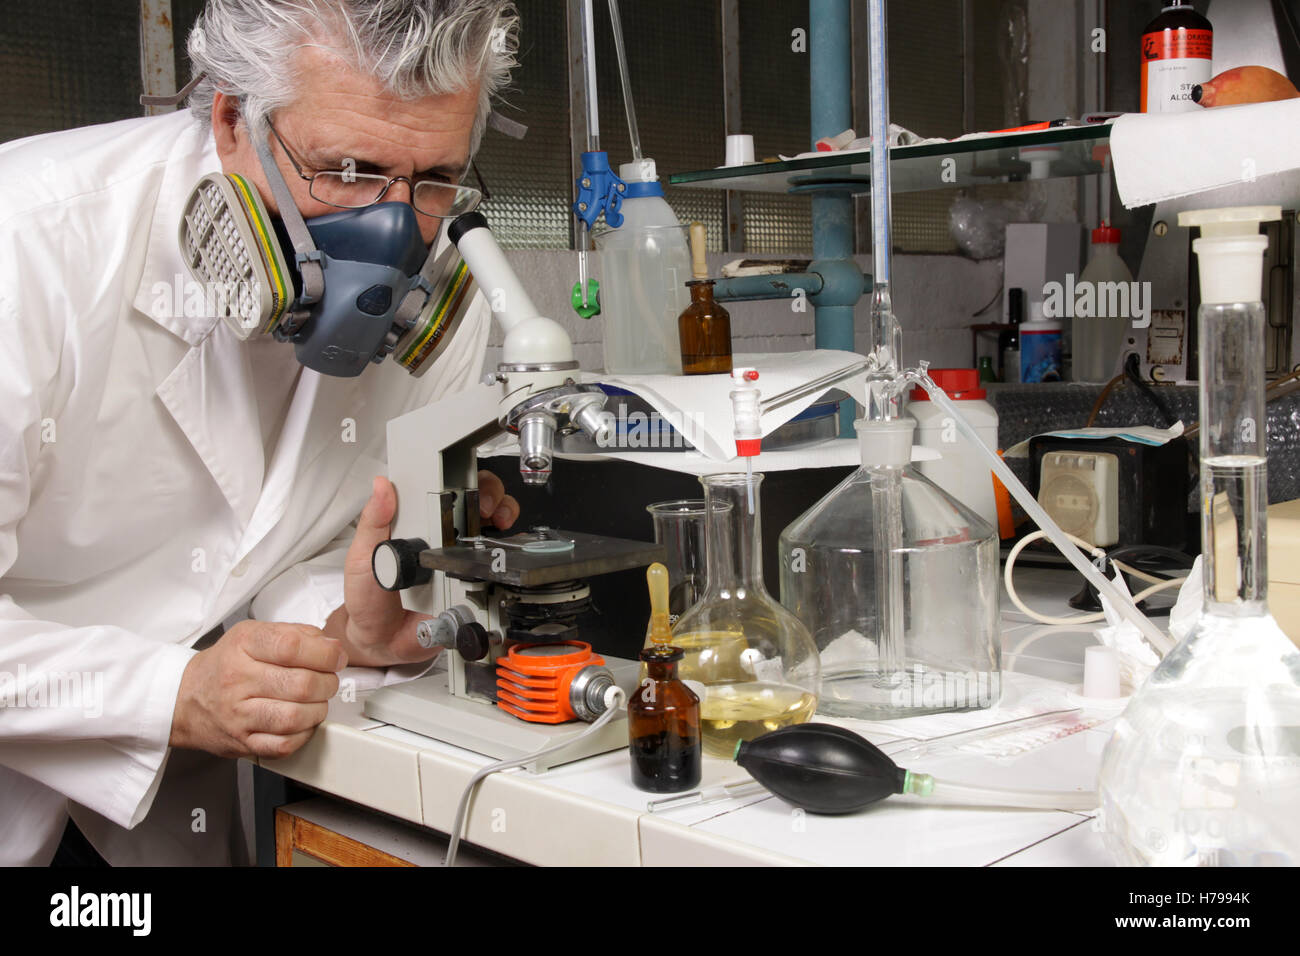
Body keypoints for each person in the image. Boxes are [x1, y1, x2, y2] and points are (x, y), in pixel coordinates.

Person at [0, 0, 522, 866]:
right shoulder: (30, 241)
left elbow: (263, 563)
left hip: (166, 822)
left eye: (433, 178)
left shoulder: (447, 284)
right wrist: (174, 692)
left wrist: (346, 623)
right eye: (348, 169)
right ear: (233, 119)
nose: (396, 232)